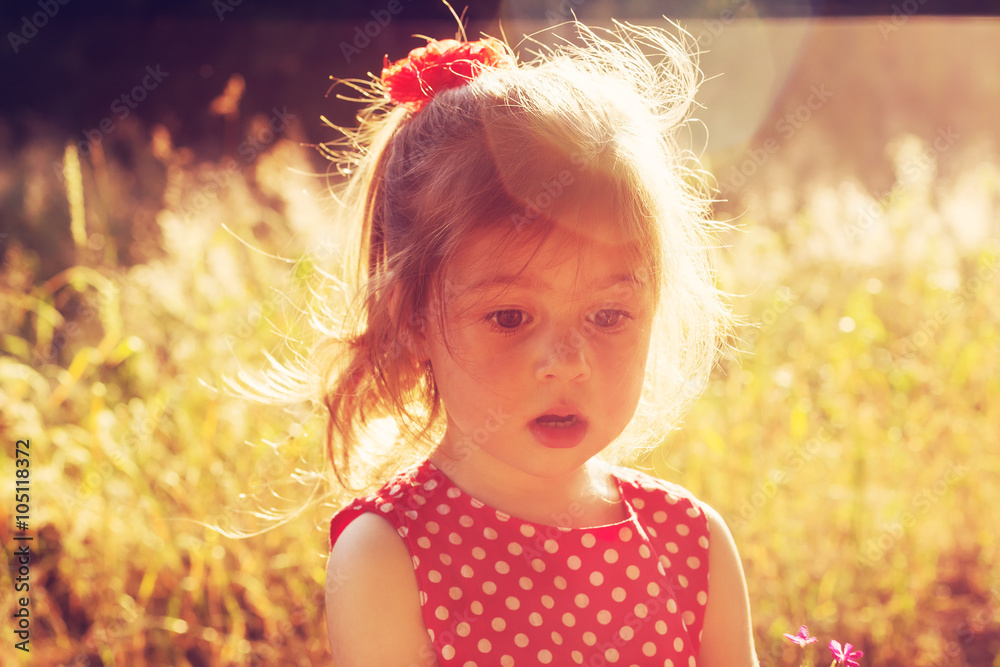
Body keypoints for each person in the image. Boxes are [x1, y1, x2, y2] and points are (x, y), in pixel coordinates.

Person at [317, 17, 759, 666]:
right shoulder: (389, 555)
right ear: (412, 314)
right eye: (509, 317)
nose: (567, 364)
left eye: (608, 316)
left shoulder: (692, 542)